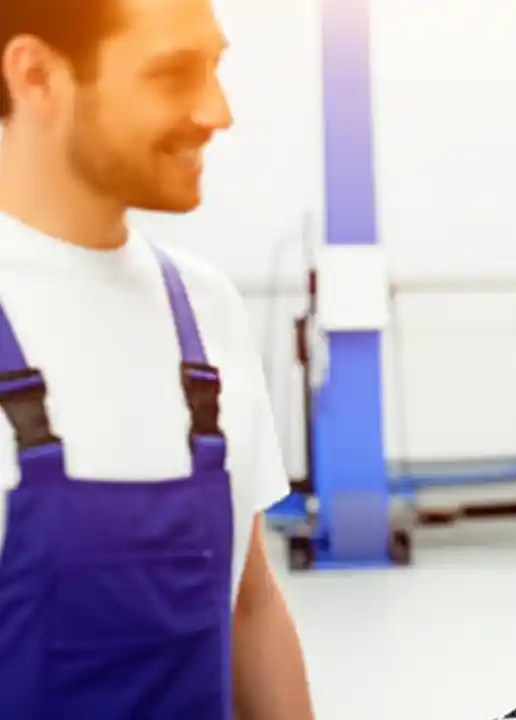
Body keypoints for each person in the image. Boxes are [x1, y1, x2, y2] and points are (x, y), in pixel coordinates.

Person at [0, 0, 313, 717]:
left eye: (216, 67)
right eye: (174, 73)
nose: (218, 112)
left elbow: (249, 604)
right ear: (37, 76)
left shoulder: (206, 309)